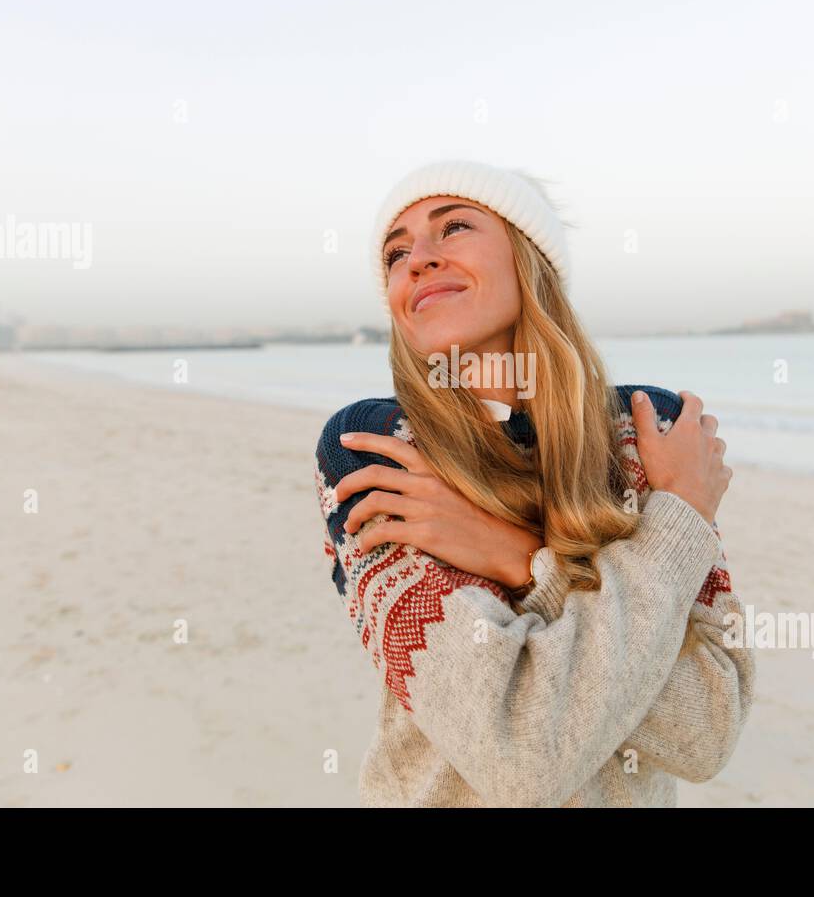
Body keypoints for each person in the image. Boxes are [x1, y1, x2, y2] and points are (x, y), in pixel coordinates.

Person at [312, 160, 755, 807]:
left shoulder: (644, 431)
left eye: (453, 227)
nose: (418, 260)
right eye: (396, 253)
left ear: (531, 255)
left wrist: (517, 559)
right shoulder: (374, 448)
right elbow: (519, 755)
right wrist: (675, 520)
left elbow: (705, 735)